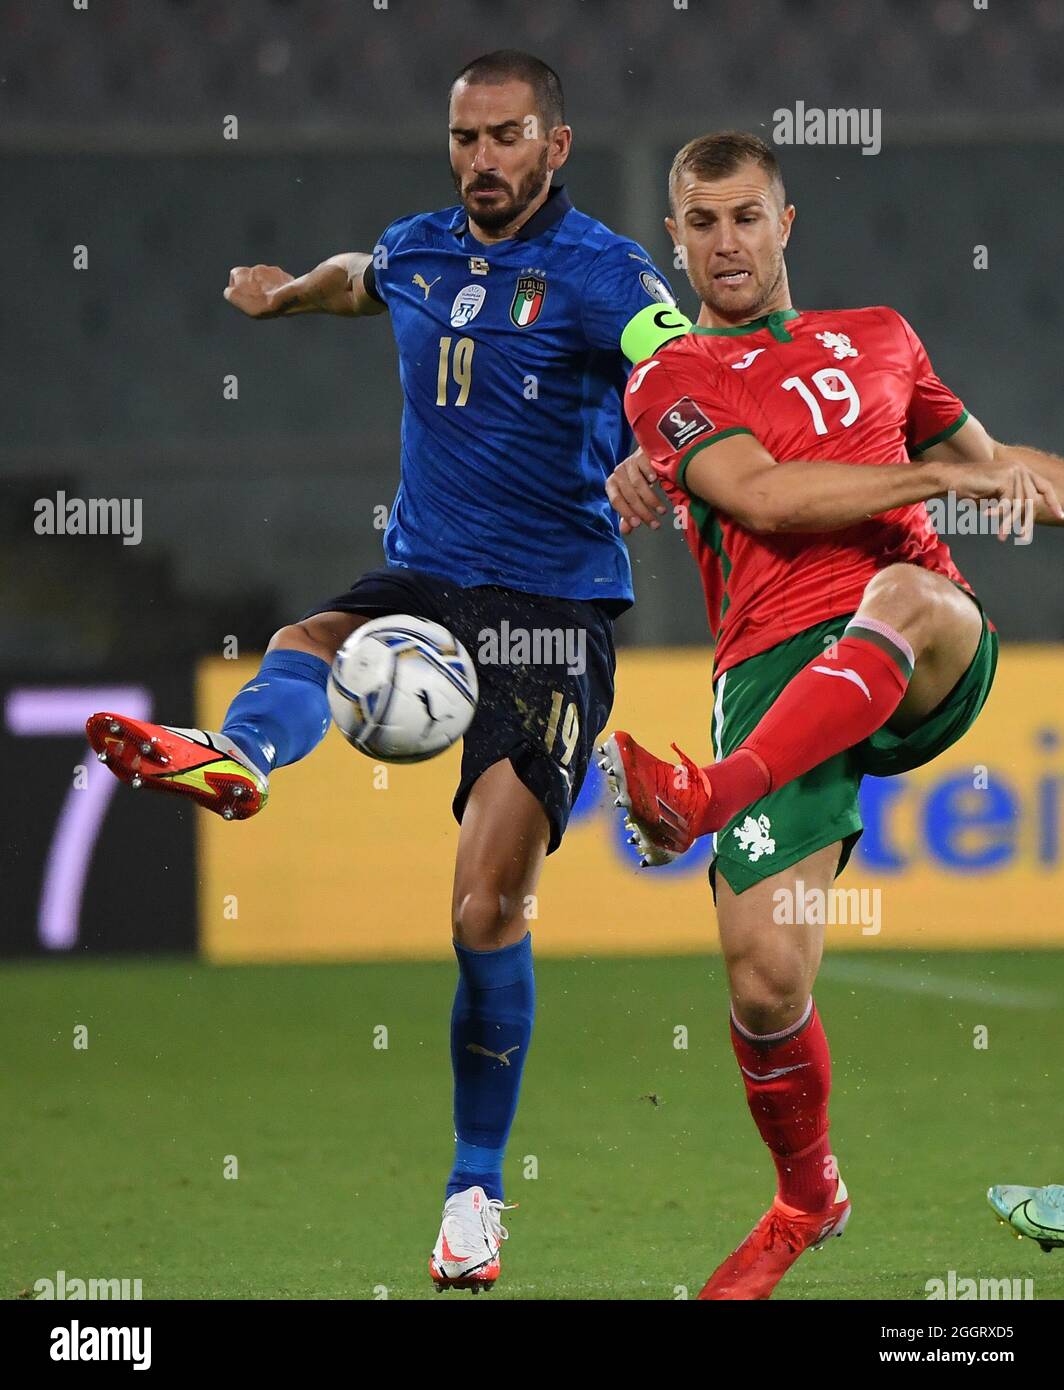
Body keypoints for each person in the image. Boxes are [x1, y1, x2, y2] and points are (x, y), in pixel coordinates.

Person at [86, 50, 677, 1294]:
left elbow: (681, 376)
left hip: (551, 614)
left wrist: (658, 460)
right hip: (423, 579)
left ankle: (473, 1189)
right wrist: (291, 295)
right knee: (302, 641)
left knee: (482, 912)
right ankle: (239, 757)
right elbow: (371, 279)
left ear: (553, 146)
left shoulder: (605, 273)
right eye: (464, 139)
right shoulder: (420, 244)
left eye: (506, 138)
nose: (481, 161)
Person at [600, 130, 1064, 1300]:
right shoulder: (668, 382)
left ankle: (706, 796)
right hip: (768, 673)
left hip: (917, 642)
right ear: (674, 239)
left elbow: (998, 465)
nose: (724, 243)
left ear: (785, 222)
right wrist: (935, 478)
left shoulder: (881, 337)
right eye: (699, 224)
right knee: (762, 983)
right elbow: (761, 495)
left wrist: (982, 474)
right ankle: (808, 1196)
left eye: (745, 216)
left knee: (903, 589)